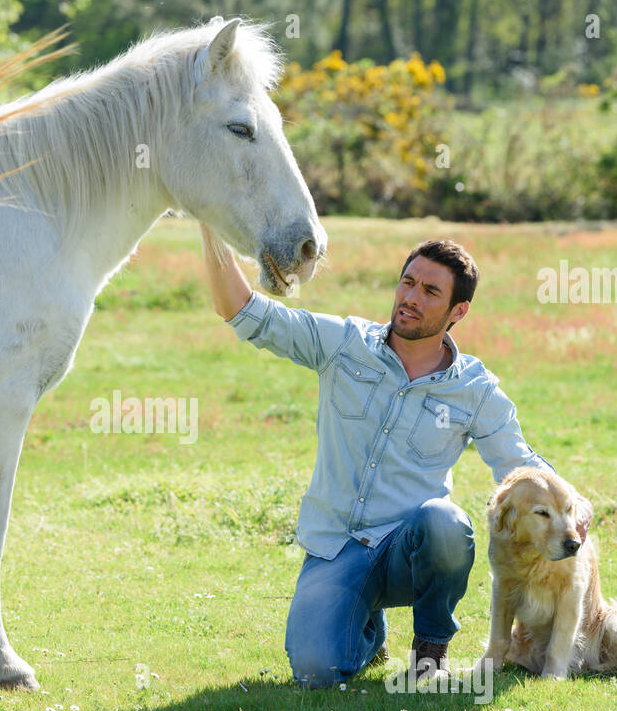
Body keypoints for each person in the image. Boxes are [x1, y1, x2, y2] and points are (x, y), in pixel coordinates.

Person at [200, 225, 587, 687]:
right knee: (317, 672)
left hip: (411, 548)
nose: (411, 297)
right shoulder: (344, 344)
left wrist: (574, 507)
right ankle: (365, 629)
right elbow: (243, 311)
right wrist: (211, 225)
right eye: (407, 282)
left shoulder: (475, 390)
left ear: (457, 310)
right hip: (335, 547)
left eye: (429, 291)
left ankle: (430, 650)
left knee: (447, 523)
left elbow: (519, 465)